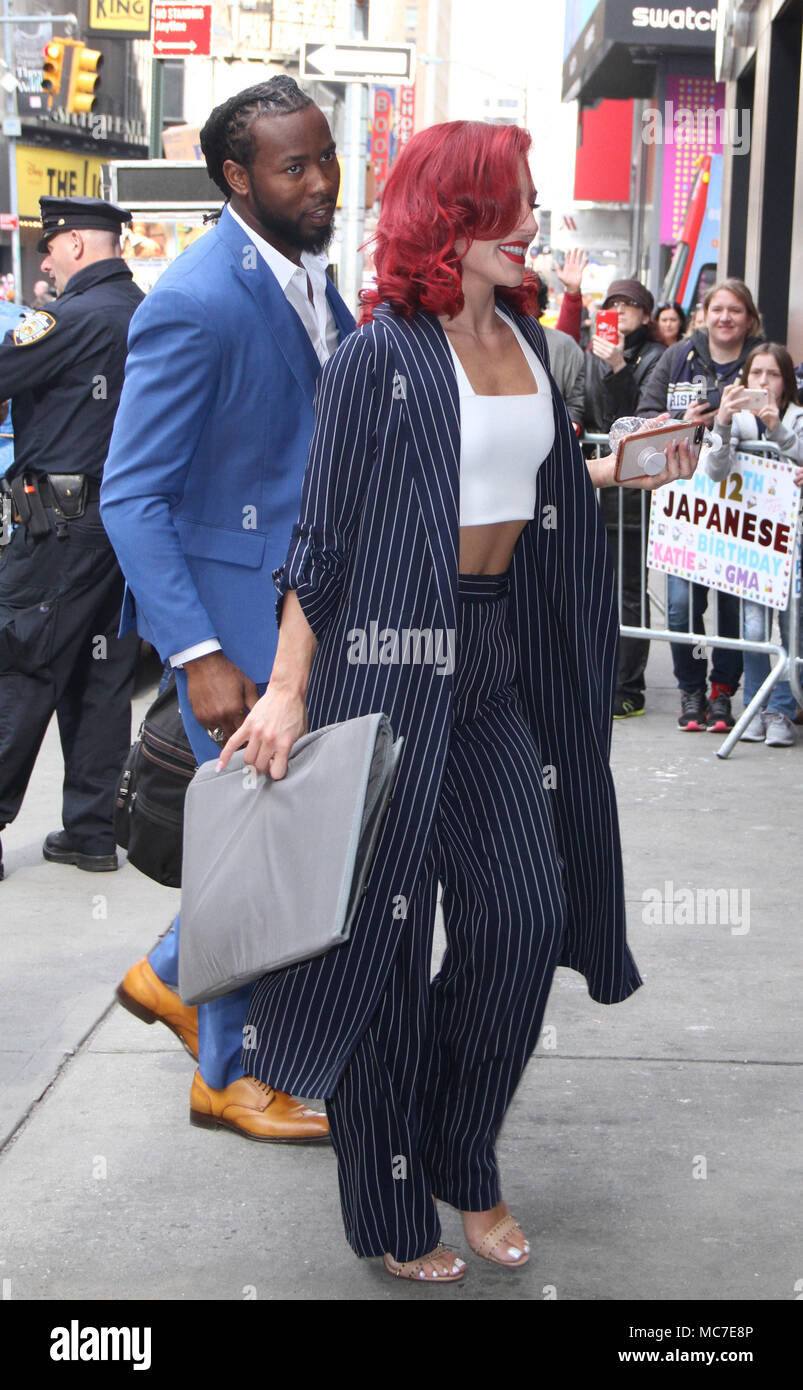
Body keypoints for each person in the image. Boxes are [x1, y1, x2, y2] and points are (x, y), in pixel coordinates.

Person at [217, 121, 696, 1283]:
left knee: (523, 917)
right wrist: (285, 690)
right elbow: (320, 542)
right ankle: (396, 1203)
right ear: (455, 217)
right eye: (514, 198)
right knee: (379, 950)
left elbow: (513, 478)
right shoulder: (379, 357)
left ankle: (456, 1146)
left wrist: (618, 467)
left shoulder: (530, 340)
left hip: (494, 661)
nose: (532, 216)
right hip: (381, 670)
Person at [101, 78, 353, 1142]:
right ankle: (221, 1068)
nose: (321, 180)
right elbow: (129, 493)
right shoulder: (195, 298)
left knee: (284, 837)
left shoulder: (307, 275)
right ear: (236, 178)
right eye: (295, 166)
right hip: (238, 616)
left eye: (326, 158)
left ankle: (171, 979)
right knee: (263, 840)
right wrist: (197, 649)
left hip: (297, 602)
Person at [0, 196, 143, 883]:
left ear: (76, 247)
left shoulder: (65, 317)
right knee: (100, 676)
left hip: (57, 528)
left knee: (19, 665)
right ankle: (89, 832)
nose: (44, 265)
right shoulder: (145, 311)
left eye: (49, 250)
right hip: (127, 527)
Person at [638, 278, 764, 732]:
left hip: (742, 513)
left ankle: (722, 691)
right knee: (679, 606)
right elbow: (646, 409)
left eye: (735, 310)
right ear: (704, 315)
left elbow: (782, 412)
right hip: (685, 513)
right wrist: (680, 422)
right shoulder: (677, 357)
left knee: (731, 609)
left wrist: (736, 421)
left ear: (749, 319)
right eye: (718, 309)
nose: (726, 318)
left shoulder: (761, 360)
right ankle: (690, 689)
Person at [701, 343, 803, 747]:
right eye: (756, 373)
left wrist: (777, 428)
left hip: (793, 544)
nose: (763, 381)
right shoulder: (739, 421)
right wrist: (723, 422)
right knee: (754, 627)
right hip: (754, 547)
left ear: (786, 380)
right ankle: (757, 707)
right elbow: (714, 469)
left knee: (791, 628)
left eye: (773, 374)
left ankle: (781, 709)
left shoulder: (797, 417)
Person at [582, 279, 665, 719]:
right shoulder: (594, 352)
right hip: (596, 486)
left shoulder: (654, 358)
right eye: (613, 304)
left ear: (646, 315)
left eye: (630, 304)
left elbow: (637, 421)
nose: (620, 311)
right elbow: (587, 409)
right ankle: (597, 678)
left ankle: (628, 686)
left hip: (634, 495)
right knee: (594, 589)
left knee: (629, 592)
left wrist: (618, 369)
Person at [534, 274, 584, 431]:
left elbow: (576, 399)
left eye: (528, 294)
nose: (521, 302)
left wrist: (571, 424)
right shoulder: (486, 343)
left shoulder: (563, 345)